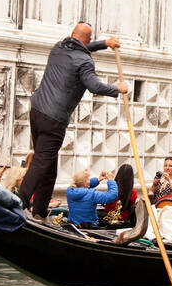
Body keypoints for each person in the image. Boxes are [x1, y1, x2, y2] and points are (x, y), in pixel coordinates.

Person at [15, 23, 125, 219]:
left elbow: (82, 46)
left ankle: (39, 212)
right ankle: (17, 203)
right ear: (88, 40)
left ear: (72, 35)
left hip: (37, 111)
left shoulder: (58, 47)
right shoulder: (85, 62)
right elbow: (94, 86)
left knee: (48, 168)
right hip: (54, 119)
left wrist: (105, 44)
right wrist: (118, 89)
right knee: (41, 162)